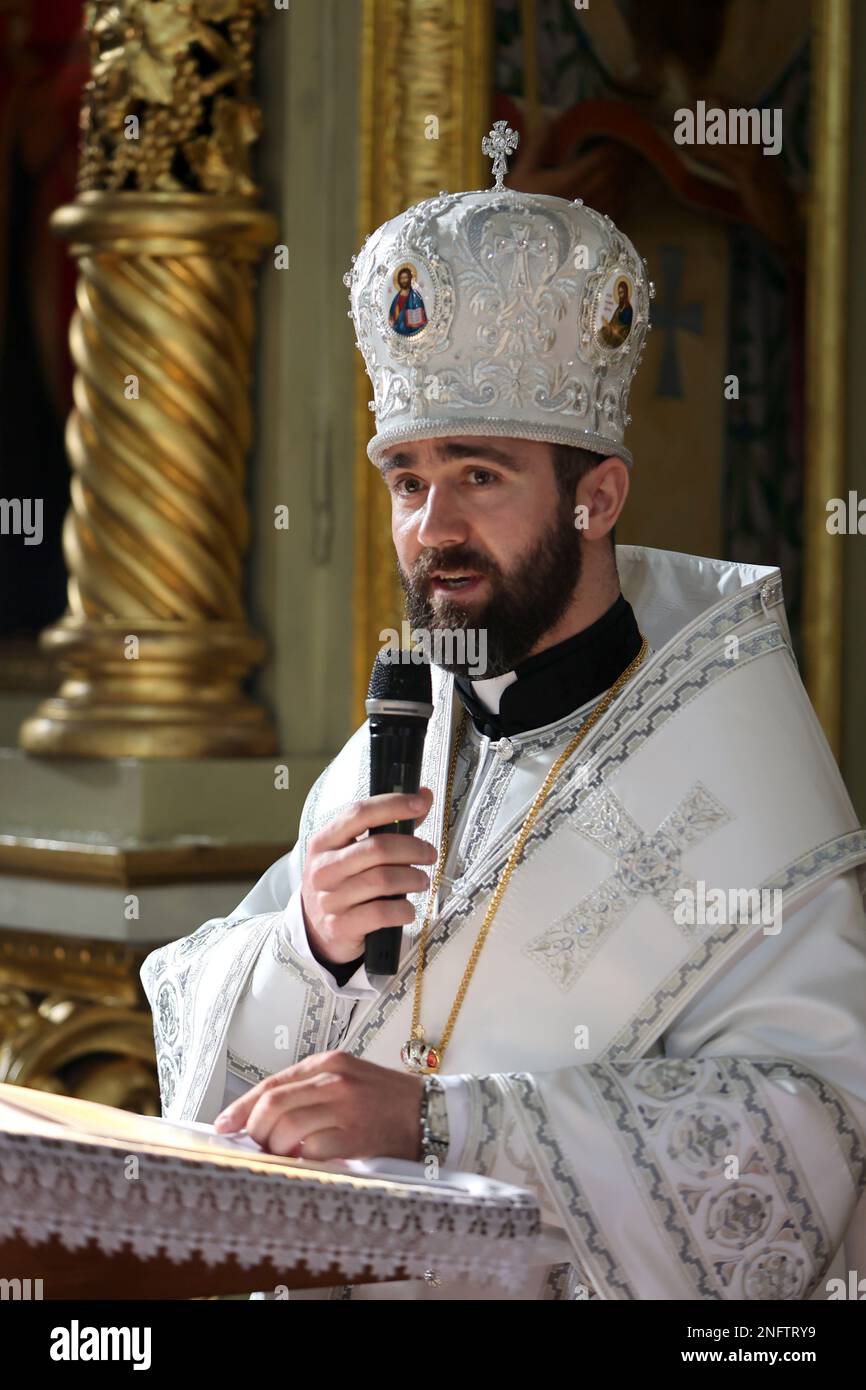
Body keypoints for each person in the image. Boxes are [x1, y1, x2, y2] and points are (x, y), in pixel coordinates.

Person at [141, 125, 866, 1301]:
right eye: (407, 480)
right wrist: (307, 947)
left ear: (596, 497)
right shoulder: (398, 736)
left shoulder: (735, 769)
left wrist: (447, 1128)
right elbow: (216, 1059)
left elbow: (811, 1138)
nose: (430, 529)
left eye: (477, 475)